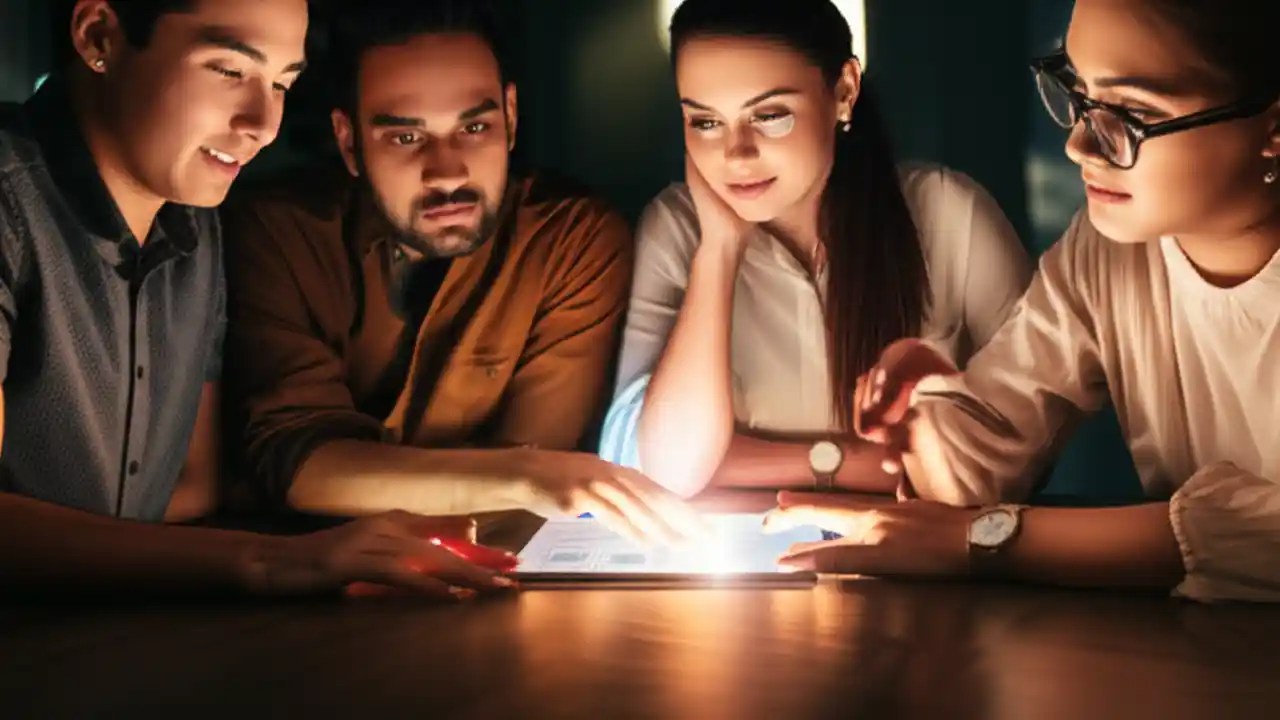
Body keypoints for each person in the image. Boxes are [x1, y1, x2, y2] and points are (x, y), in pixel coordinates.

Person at [0, 0, 517, 601]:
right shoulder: (13, 201)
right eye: (228, 70)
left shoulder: (198, 225)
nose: (264, 124)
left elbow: (188, 492)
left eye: (281, 83)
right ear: (99, 36)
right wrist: (275, 560)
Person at [768, 0, 1280, 603]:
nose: (1079, 144)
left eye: (1134, 113)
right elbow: (981, 463)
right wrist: (931, 414)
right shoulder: (1109, 253)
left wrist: (984, 540)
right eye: (1078, 92)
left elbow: (1262, 533)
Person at [221, 0, 704, 546]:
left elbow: (532, 493)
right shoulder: (279, 235)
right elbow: (295, 463)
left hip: (489, 570)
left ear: (511, 118)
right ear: (349, 142)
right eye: (406, 138)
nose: (447, 172)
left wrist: (528, 479)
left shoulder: (566, 240)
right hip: (295, 575)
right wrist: (524, 476)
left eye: (474, 127)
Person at [598, 0, 1031, 499]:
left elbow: (1021, 447)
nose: (736, 153)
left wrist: (744, 462)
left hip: (909, 542)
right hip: (743, 544)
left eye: (770, 115)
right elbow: (664, 469)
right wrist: (718, 249)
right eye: (706, 122)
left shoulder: (950, 213)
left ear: (844, 91)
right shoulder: (678, 227)